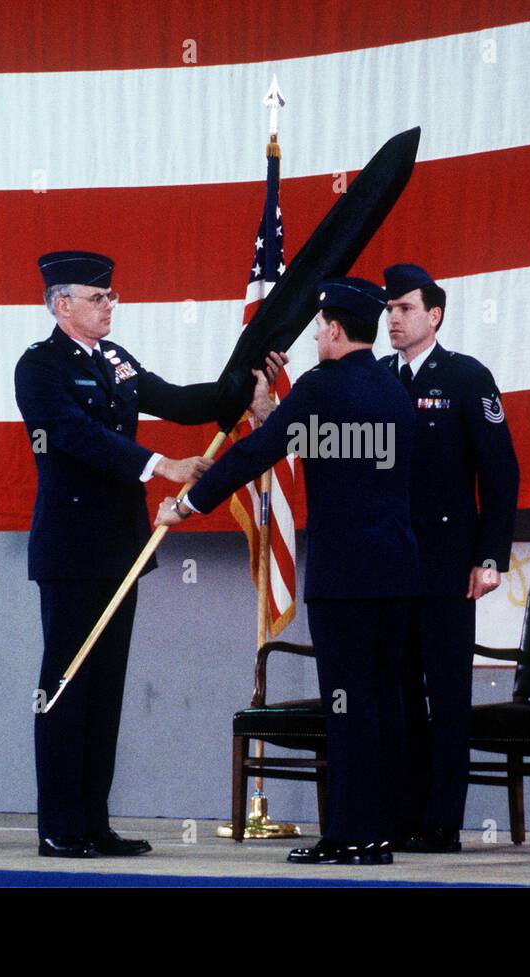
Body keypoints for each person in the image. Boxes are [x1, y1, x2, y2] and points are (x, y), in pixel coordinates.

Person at [14, 249, 281, 858]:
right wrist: (161, 466)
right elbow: (75, 436)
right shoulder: (40, 368)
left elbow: (182, 401)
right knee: (67, 682)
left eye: (111, 297)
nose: (110, 306)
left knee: (105, 688)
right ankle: (59, 824)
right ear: (62, 304)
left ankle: (92, 822)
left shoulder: (116, 361)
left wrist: (247, 379)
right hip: (71, 548)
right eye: (98, 298)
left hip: (120, 548)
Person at [156, 277, 418, 865]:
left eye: (321, 327)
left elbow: (257, 452)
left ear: (333, 329)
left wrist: (187, 506)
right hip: (397, 571)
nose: (318, 335)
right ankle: (379, 833)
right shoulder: (393, 389)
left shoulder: (323, 387)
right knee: (381, 705)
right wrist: (272, 406)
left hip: (346, 578)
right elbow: (328, 447)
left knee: (347, 704)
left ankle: (347, 835)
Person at [381, 263, 519, 853]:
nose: (393, 318)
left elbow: (501, 472)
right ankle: (403, 815)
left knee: (447, 696)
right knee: (400, 694)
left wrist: (491, 557)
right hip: (388, 566)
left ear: (433, 315)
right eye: (389, 309)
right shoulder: (377, 377)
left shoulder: (465, 377)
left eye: (405, 308)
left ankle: (441, 822)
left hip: (448, 566)